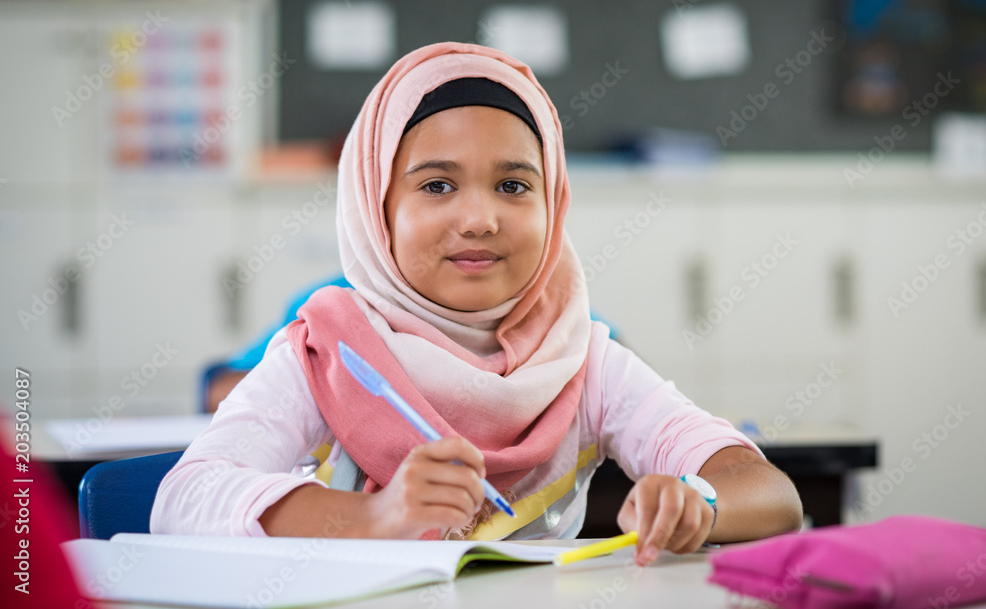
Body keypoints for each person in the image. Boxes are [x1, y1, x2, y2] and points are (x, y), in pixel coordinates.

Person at [152, 42, 802, 564]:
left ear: (554, 205)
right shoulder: (327, 354)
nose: (479, 220)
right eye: (437, 185)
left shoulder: (582, 361)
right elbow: (182, 500)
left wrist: (700, 502)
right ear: (377, 208)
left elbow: (772, 493)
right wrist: (376, 516)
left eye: (514, 186)